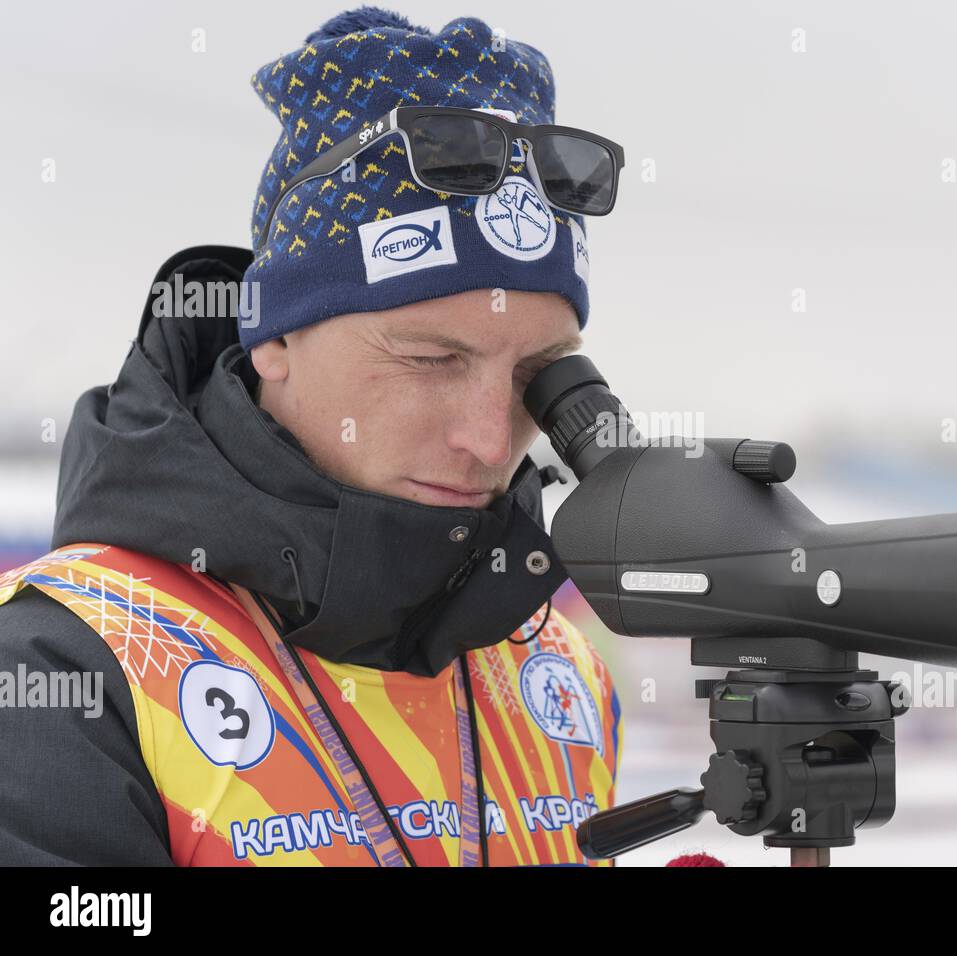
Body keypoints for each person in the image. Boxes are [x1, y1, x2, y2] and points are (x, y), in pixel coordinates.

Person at [0, 7, 623, 866]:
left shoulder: (556, 666)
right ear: (274, 336)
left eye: (535, 376)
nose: (491, 440)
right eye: (433, 358)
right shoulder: (69, 664)